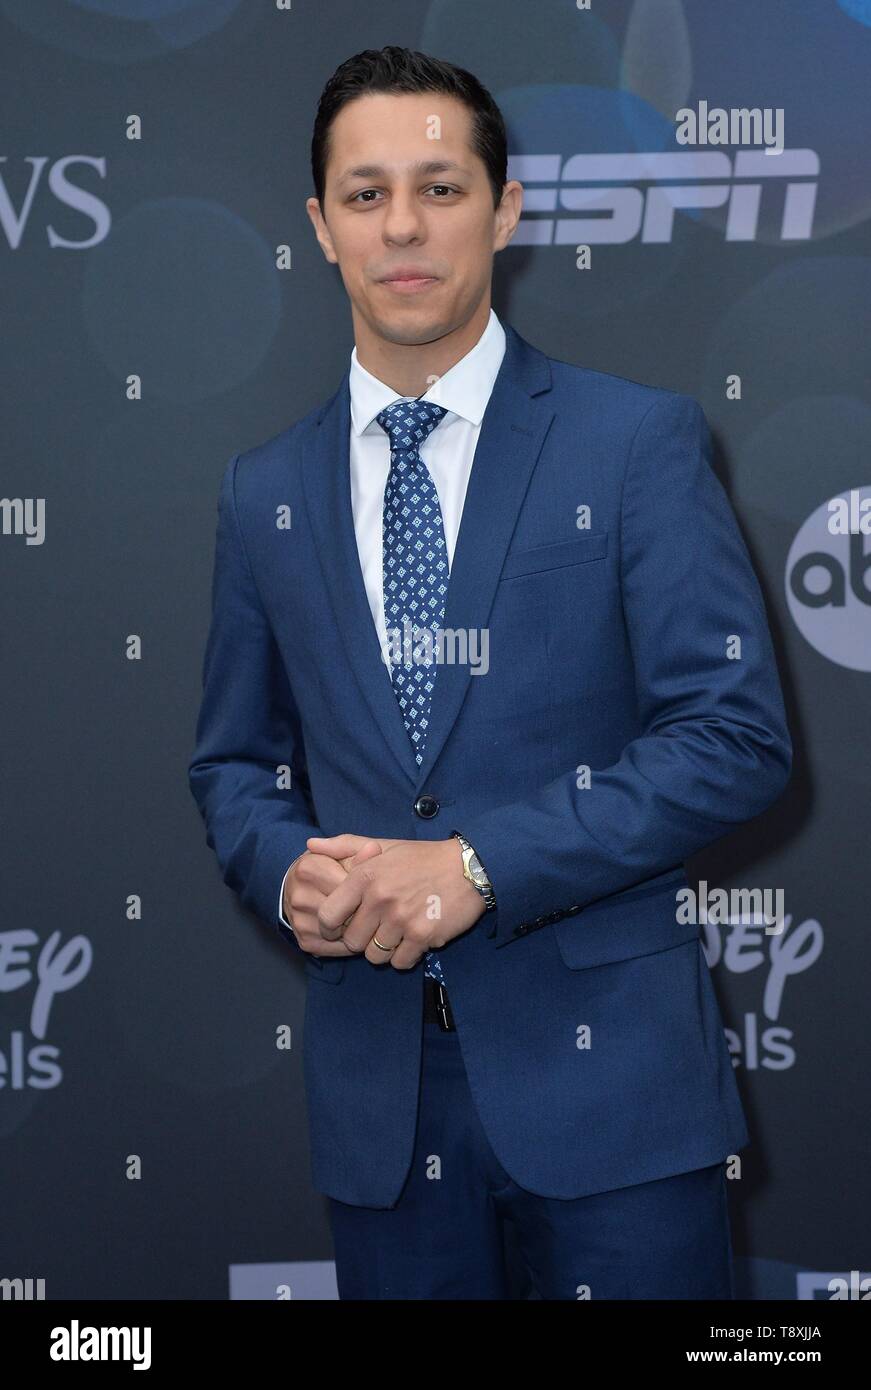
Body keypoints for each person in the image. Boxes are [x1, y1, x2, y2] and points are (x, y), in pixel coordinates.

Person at [188, 46, 792, 1300]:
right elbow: (235, 762)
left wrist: (477, 866)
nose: (402, 225)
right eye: (364, 194)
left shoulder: (635, 442)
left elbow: (731, 734)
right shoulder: (264, 491)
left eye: (440, 187)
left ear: (506, 209)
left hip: (617, 1104)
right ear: (318, 226)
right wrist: (283, 866)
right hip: (382, 1112)